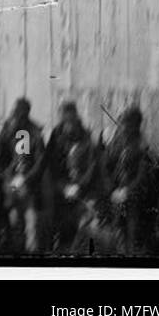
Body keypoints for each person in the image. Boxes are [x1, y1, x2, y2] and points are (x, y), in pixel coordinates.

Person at [47, 101, 102, 252]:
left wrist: (78, 186)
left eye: (71, 120)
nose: (68, 125)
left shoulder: (86, 136)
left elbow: (92, 166)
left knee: (84, 223)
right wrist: (63, 187)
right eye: (65, 120)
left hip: (81, 188)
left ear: (76, 118)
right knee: (58, 221)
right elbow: (51, 165)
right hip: (61, 187)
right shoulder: (56, 134)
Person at [0, 98, 47, 253]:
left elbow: (40, 161)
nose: (19, 115)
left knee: (32, 225)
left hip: (29, 186)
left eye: (22, 112)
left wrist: (26, 178)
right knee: (15, 222)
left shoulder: (35, 131)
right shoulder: (8, 129)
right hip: (12, 184)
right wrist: (8, 177)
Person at [104, 105, 154, 254]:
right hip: (115, 194)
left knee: (132, 233)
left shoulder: (141, 146)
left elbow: (142, 176)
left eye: (127, 123)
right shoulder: (116, 142)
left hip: (133, 197)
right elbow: (106, 167)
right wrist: (112, 190)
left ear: (136, 126)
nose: (123, 127)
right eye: (122, 123)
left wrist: (126, 192)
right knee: (117, 230)